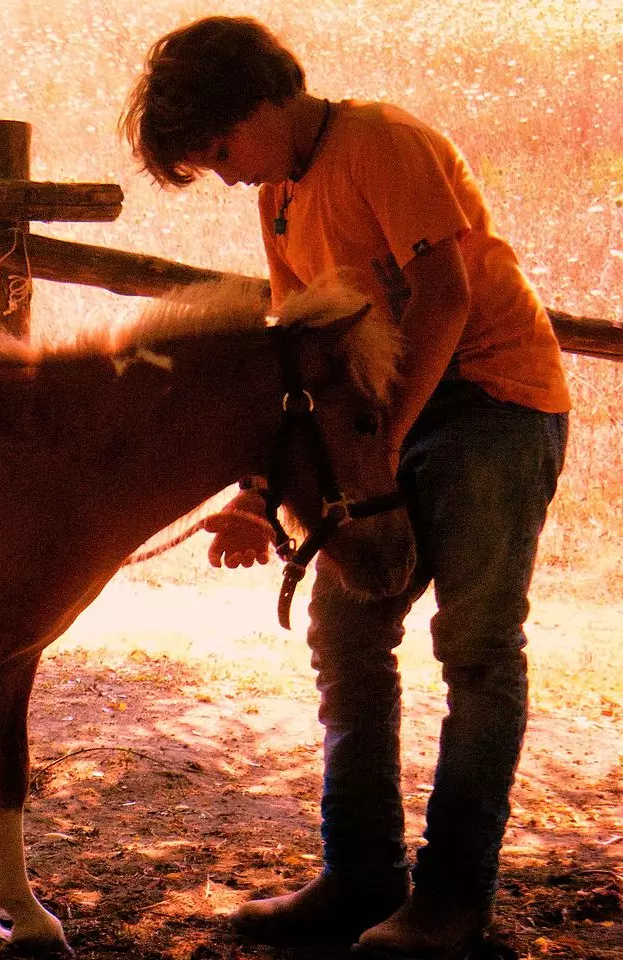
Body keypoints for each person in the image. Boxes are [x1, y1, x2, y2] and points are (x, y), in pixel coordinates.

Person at [121, 16, 570, 959]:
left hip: (491, 399)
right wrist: (256, 491)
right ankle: (362, 878)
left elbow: (443, 294)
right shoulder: (282, 188)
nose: (227, 173)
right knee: (346, 638)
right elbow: (306, 359)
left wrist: (384, 448)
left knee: (479, 648)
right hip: (378, 418)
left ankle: (452, 902)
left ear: (265, 101)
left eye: (220, 148)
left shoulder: (380, 142)